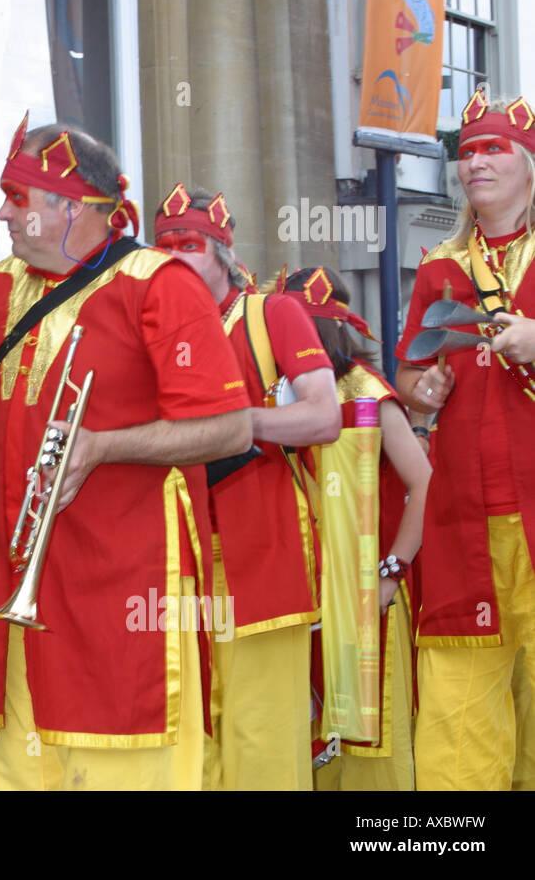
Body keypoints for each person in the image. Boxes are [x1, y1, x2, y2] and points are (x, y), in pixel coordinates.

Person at [0, 119, 252, 791]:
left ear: (70, 207)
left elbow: (231, 429)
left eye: (17, 197)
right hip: (30, 574)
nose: (2, 212)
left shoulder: (161, 284)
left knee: (125, 766)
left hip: (126, 578)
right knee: (25, 774)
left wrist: (104, 445)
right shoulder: (2, 286)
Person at [152, 181, 341, 791]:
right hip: (175, 559)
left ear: (224, 252)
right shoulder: (155, 330)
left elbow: (324, 416)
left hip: (262, 550)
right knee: (190, 734)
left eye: (191, 243)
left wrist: (235, 426)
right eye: (164, 245)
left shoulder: (273, 312)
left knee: (261, 739)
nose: (175, 255)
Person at [395, 86, 535, 790]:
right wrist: (420, 391)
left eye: (493, 149)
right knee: (457, 711)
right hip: (464, 522)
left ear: (529, 165)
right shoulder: (439, 271)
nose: (475, 163)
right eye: (467, 151)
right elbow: (411, 375)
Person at [277, 266, 429, 791]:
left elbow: (424, 482)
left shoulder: (365, 392)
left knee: (371, 755)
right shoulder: (273, 393)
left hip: (366, 598)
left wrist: (391, 575)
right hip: (297, 602)